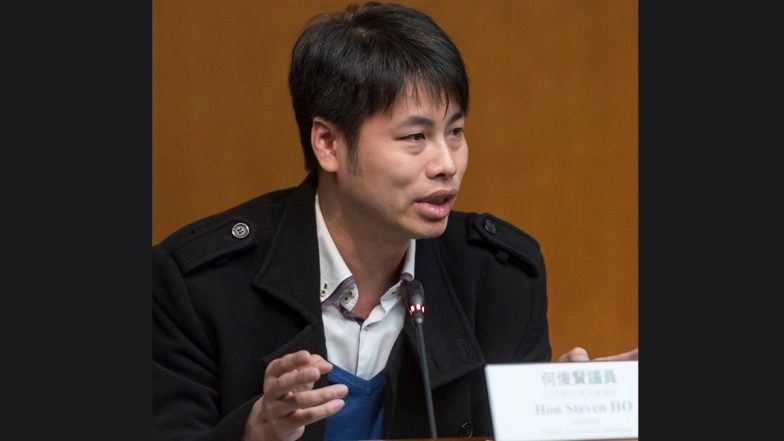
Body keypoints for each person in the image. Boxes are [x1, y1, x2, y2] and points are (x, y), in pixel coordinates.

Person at [152, 2, 638, 441]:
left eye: (456, 132)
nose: (447, 163)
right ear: (329, 144)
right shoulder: (201, 284)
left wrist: (560, 419)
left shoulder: (501, 277)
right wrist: (254, 431)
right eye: (415, 137)